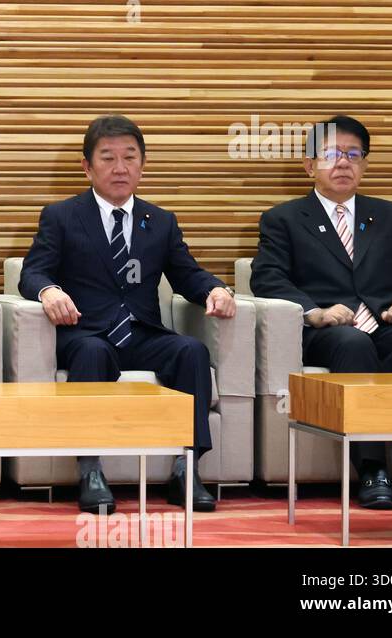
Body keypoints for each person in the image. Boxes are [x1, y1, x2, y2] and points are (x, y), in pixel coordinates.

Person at [18, 114, 237, 514]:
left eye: (129, 158)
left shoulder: (161, 221)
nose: (120, 168)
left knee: (191, 351)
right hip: (86, 333)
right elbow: (33, 271)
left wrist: (217, 289)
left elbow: (187, 273)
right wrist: (48, 291)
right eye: (108, 158)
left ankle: (186, 468)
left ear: (143, 163)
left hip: (141, 332)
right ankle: (90, 471)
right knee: (91, 353)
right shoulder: (62, 216)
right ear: (87, 166)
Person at [251, 114, 392, 510]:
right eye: (330, 154)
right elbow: (268, 279)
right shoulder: (284, 219)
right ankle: (372, 468)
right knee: (351, 342)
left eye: (353, 154)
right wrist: (314, 312)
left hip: (384, 324)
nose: (343, 163)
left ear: (364, 164)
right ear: (309, 165)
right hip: (328, 331)